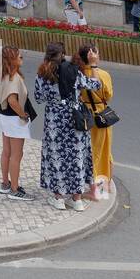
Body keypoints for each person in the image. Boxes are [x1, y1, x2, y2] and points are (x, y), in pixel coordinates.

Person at [33, 41, 102, 211]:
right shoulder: (74, 71)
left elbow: (39, 99)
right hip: (74, 119)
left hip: (54, 122)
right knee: (76, 157)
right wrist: (93, 65)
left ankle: (58, 198)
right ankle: (77, 199)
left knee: (57, 157)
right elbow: (96, 85)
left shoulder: (41, 74)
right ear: (63, 54)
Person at [0, 46, 32, 200]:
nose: (22, 57)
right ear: (11, 60)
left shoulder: (0, 74)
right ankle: (14, 189)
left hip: (1, 115)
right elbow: (13, 101)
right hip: (14, 119)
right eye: (19, 56)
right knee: (16, 154)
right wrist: (23, 115)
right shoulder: (14, 79)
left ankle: (5, 184)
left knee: (6, 151)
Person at [77, 44, 115, 200]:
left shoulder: (78, 74)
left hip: (84, 114)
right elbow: (109, 95)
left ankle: (96, 187)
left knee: (90, 150)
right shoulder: (103, 75)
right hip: (101, 114)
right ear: (93, 56)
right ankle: (102, 187)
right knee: (103, 150)